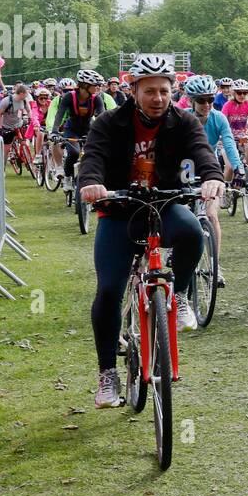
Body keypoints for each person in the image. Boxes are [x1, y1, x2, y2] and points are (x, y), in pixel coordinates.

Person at [78, 55, 224, 407]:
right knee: (110, 290)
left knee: (192, 232)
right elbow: (93, 157)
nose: (158, 98)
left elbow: (202, 152)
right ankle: (107, 374)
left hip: (163, 204)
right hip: (118, 211)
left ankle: (183, 295)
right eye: (150, 91)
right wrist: (92, 183)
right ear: (134, 90)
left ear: (173, 91)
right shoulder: (109, 122)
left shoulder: (184, 121)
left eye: (164, 91)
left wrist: (213, 177)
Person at [183, 74, 246, 283]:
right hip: (184, 165)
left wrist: (238, 169)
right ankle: (176, 249)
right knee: (181, 211)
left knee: (211, 215)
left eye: (211, 99)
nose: (207, 104)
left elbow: (228, 143)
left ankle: (215, 265)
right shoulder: (182, 117)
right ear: (191, 100)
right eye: (202, 100)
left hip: (208, 165)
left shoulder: (218, 117)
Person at [51, 70, 106, 189]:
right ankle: (67, 178)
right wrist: (55, 131)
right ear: (85, 86)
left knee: (93, 154)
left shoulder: (97, 99)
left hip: (89, 129)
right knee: (74, 153)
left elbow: (102, 117)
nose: (98, 88)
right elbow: (59, 114)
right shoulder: (69, 97)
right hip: (72, 129)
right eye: (95, 85)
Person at [221, 79, 248, 179]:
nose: (242, 95)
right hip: (228, 139)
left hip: (242, 138)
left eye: (245, 93)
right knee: (230, 167)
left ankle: (247, 175)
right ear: (233, 93)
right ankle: (226, 189)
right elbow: (222, 121)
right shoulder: (228, 105)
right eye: (239, 93)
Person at [0, 84, 32, 157]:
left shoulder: (24, 100)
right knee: (6, 150)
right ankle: (3, 166)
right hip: (7, 127)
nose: (27, 96)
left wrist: (29, 118)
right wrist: (0, 128)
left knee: (25, 141)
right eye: (26, 94)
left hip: (19, 124)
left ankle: (26, 158)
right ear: (21, 94)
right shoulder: (6, 101)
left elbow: (29, 110)